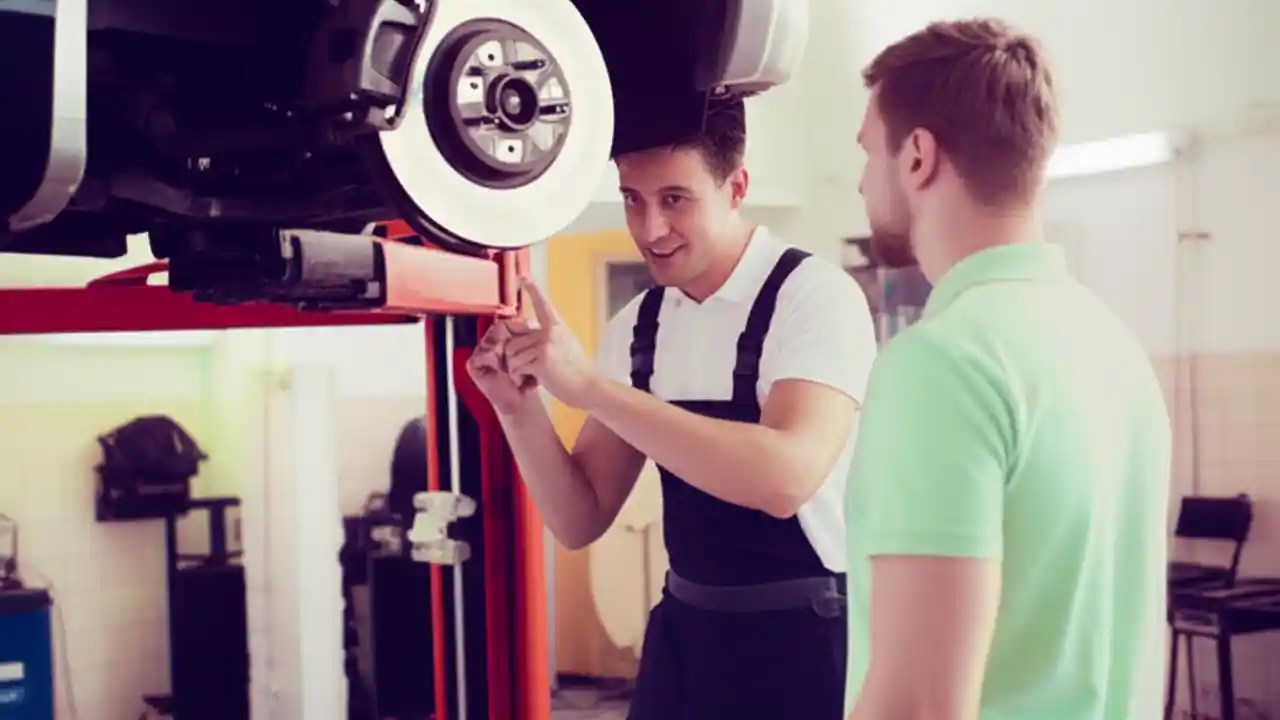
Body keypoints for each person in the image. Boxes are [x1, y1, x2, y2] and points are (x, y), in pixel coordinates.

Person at [467, 100, 877, 718]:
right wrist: (517, 410)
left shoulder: (814, 298)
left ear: (735, 187)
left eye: (675, 199)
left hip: (803, 640)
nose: (650, 227)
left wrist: (592, 390)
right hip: (686, 634)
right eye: (633, 198)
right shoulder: (641, 327)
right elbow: (580, 517)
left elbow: (783, 478)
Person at [843, 18, 1172, 720]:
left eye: (869, 152)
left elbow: (919, 704)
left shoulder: (942, 363)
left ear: (919, 156)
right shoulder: (1114, 349)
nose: (861, 180)